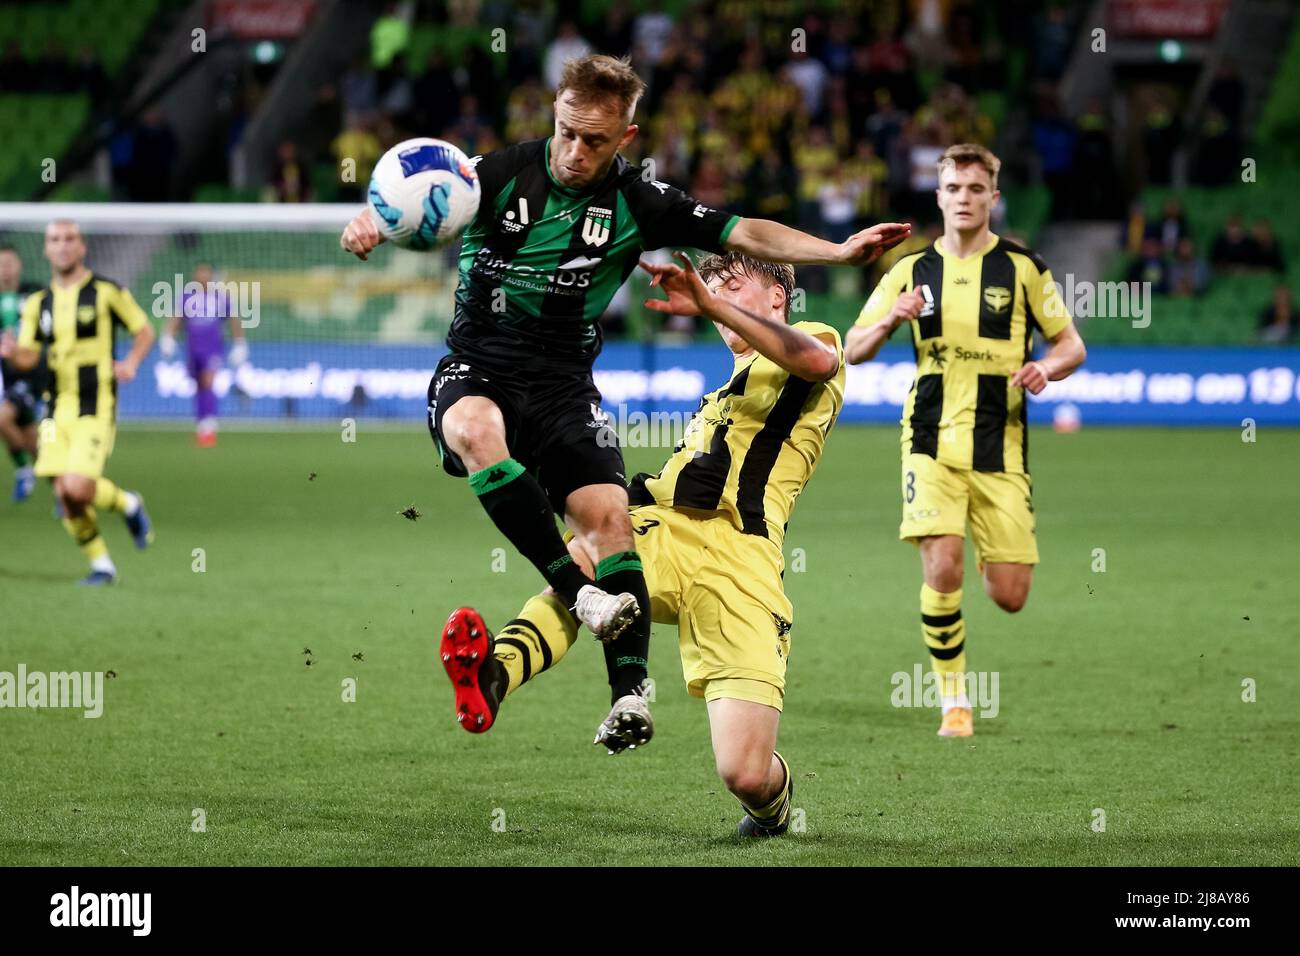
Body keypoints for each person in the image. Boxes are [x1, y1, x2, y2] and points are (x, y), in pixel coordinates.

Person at [340, 54, 908, 750]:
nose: (576, 152)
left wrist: (839, 251)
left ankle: (629, 695)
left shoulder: (641, 204)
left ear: (626, 137)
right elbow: (415, 190)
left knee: (609, 520)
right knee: (476, 430)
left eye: (596, 141)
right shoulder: (498, 174)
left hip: (565, 388)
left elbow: (748, 233)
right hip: (481, 366)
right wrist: (371, 219)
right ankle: (552, 624)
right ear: (555, 111)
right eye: (567, 132)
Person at [439, 250, 843, 837]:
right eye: (711, 292)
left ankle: (771, 812)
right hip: (669, 525)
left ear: (778, 297)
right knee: (595, 553)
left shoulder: (812, 337)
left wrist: (704, 296)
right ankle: (492, 676)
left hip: (747, 559)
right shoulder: (723, 390)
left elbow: (816, 361)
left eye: (732, 286)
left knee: (745, 772)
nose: (718, 301)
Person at [845, 144, 1086, 738]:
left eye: (976, 189)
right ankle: (955, 701)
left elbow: (1071, 346)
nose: (963, 199)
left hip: (999, 444)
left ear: (993, 199)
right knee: (941, 565)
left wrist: (1046, 370)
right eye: (953, 188)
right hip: (928, 437)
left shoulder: (1025, 269)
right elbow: (849, 349)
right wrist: (888, 320)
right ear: (939, 196)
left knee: (1010, 594)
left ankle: (984, 537)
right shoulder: (908, 270)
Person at [0, 221, 156, 585]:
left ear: (82, 247)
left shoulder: (106, 291)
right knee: (63, 494)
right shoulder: (39, 304)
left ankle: (128, 503)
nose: (63, 246)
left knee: (77, 487)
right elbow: (28, 356)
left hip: (94, 403)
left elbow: (144, 330)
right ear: (46, 250)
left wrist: (131, 363)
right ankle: (102, 565)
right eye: (55, 240)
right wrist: (11, 352)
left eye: (70, 239)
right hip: (54, 410)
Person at [160, 263, 249, 447]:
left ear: (211, 276)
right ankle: (202, 423)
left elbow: (233, 319)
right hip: (193, 347)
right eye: (199, 272)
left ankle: (209, 426)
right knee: (199, 384)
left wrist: (240, 343)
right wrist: (168, 336)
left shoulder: (220, 297)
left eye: (205, 272)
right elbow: (177, 318)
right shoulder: (186, 297)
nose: (202, 276)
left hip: (213, 347)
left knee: (208, 381)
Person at [0, 244, 46, 501]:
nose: (5, 269)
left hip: (35, 375)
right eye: (1, 264)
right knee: (32, 440)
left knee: (2, 418)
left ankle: (24, 470)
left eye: (9, 263)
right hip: (10, 378)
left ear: (19, 266)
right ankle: (63, 488)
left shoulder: (33, 293)